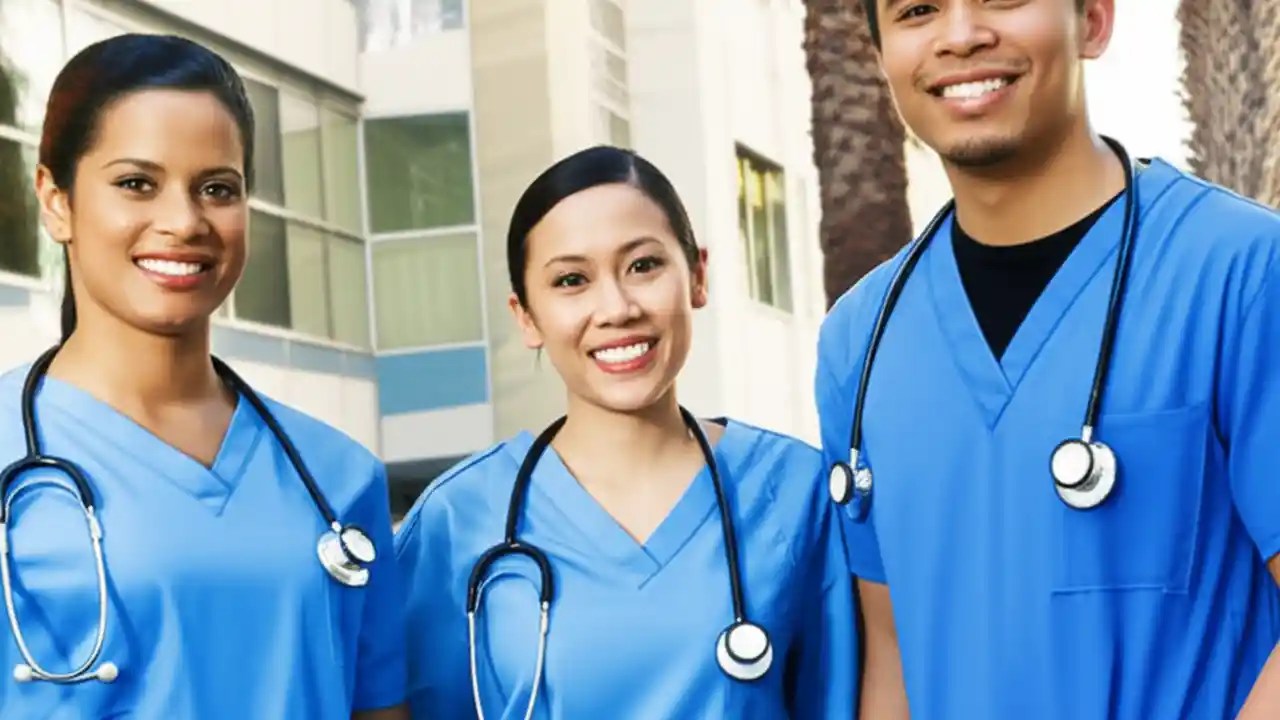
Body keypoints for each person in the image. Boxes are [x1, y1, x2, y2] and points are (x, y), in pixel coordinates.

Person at [815, 1, 1280, 718]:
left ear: (1092, 20)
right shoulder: (860, 340)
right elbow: (892, 655)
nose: (962, 35)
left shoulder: (1239, 272)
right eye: (918, 11)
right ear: (883, 59)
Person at [0, 34, 407, 719]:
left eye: (218, 188)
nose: (184, 221)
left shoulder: (339, 478)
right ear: (56, 198)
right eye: (137, 184)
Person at [394, 145, 854, 719]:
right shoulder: (456, 520)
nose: (615, 308)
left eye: (643, 266)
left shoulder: (794, 493)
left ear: (698, 276)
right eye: (570, 280)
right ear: (526, 318)